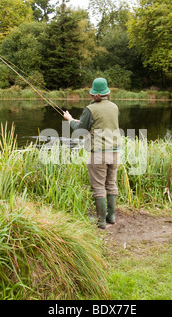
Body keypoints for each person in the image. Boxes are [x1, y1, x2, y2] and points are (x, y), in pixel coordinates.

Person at [63, 78, 121, 229]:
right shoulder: (114, 107)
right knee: (111, 184)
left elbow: (80, 129)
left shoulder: (90, 109)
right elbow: (100, 122)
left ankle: (101, 221)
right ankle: (112, 217)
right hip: (115, 152)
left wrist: (69, 120)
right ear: (107, 92)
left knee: (99, 187)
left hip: (99, 154)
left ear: (92, 93)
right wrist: (81, 121)